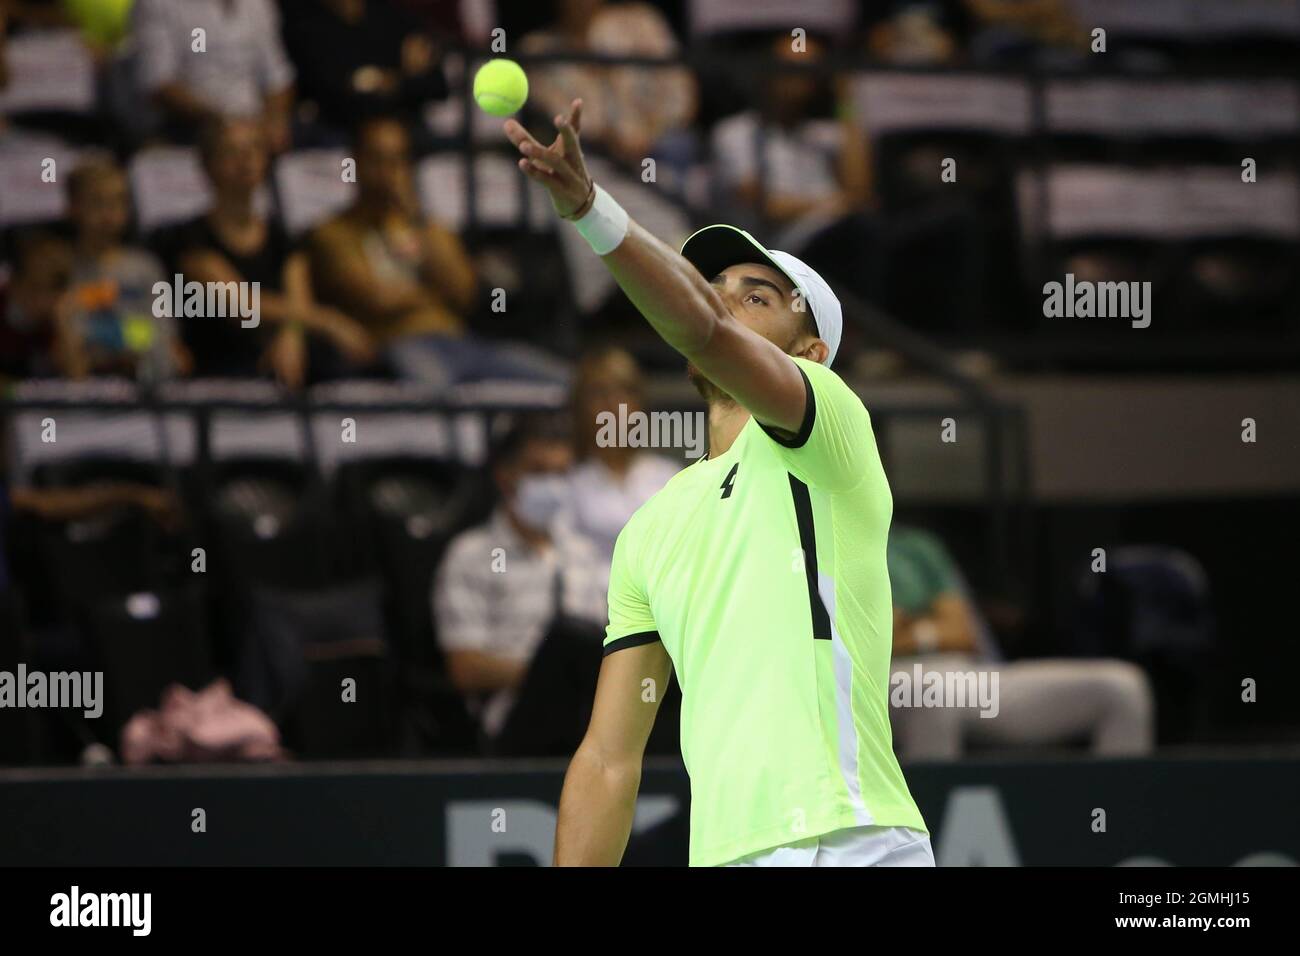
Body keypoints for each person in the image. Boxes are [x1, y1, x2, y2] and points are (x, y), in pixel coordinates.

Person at [503, 100, 932, 866]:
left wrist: (590, 210)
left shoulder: (829, 419)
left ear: (812, 350)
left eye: (755, 296)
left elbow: (702, 327)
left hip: (855, 841)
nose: (725, 299)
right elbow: (608, 760)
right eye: (717, 283)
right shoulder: (651, 526)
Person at [308, 116, 566, 388]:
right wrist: (433, 295)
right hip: (399, 344)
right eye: (377, 159)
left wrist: (415, 219)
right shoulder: (333, 233)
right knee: (437, 399)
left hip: (463, 343)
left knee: (561, 382)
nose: (388, 171)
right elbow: (376, 300)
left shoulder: (429, 227)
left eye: (397, 160)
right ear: (355, 162)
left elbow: (464, 293)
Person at [887, 523, 1155, 759]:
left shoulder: (915, 545)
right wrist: (928, 628)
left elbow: (962, 632)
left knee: (1121, 688)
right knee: (936, 693)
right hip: (887, 681)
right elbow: (874, 637)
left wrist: (911, 629)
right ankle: (925, 815)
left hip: (971, 674)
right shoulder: (846, 543)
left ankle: (1107, 815)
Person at [433, 414, 608, 749]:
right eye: (539, 472)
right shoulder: (471, 554)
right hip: (512, 721)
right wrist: (550, 675)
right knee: (567, 642)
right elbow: (464, 667)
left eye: (561, 474)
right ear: (505, 477)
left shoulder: (581, 553)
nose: (553, 485)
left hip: (591, 714)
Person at [165, 117, 375, 385]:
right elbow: (241, 305)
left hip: (277, 363)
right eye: (232, 151)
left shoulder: (283, 237)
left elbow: (298, 301)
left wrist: (292, 335)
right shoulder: (188, 238)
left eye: (254, 149)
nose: (246, 160)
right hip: (216, 364)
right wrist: (330, 321)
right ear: (207, 164)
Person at [65, 156, 189, 383]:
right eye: (97, 202)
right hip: (79, 385)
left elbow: (162, 332)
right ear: (73, 207)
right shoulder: (62, 268)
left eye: (118, 202)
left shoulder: (145, 267)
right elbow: (67, 332)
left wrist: (109, 341)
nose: (108, 214)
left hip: (144, 383)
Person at [565, 345, 680, 564]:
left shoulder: (670, 477)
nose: (613, 405)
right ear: (579, 405)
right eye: (599, 392)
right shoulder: (565, 479)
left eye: (625, 391)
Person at [131, 0, 296, 151]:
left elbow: (277, 75)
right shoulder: (158, 4)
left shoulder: (258, 4)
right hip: (193, 125)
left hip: (255, 124)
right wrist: (223, 122)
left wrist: (275, 119)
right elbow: (158, 82)